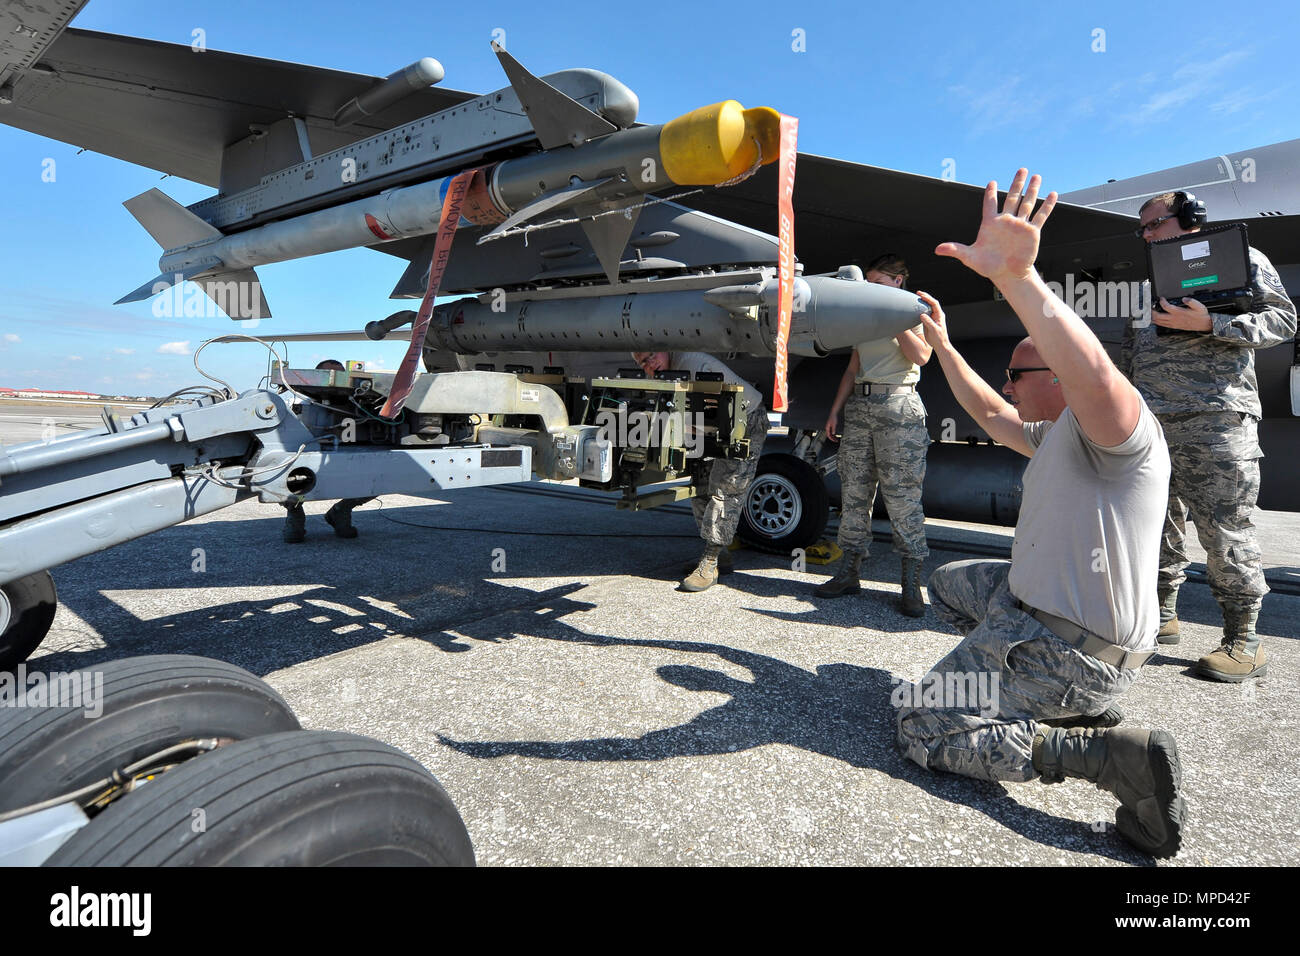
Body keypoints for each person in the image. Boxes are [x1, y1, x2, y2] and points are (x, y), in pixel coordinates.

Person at [894, 169, 1185, 858]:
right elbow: (991, 413)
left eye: (1017, 374)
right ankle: (1046, 696)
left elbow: (1095, 377)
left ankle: (1093, 751)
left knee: (916, 721)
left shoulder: (1119, 433)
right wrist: (942, 349)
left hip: (1070, 650)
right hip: (1049, 621)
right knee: (949, 582)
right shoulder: (1053, 434)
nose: (1006, 386)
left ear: (1054, 378)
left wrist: (1019, 280)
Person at [1121, 192, 1296, 681]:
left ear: (1190, 219)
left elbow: (1284, 320)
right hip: (1152, 423)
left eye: (1153, 225)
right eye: (1143, 229)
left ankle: (1244, 640)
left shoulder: (1241, 261)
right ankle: (1163, 616)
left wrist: (1211, 323)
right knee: (1156, 524)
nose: (1147, 235)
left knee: (1224, 530)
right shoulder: (1144, 286)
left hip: (1217, 419)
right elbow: (1132, 355)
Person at [816, 254, 932, 616]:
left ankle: (911, 584)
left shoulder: (917, 310)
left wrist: (895, 320)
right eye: (868, 282)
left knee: (902, 498)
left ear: (898, 282)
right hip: (861, 408)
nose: (870, 288)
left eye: (878, 283)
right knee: (854, 493)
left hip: (898, 407)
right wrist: (835, 410)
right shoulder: (862, 314)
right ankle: (849, 572)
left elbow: (923, 356)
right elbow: (853, 367)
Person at [631, 351, 768, 592]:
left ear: (665, 349)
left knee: (727, 489)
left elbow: (722, 407)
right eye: (643, 362)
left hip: (745, 421)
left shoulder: (694, 364)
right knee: (700, 486)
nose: (649, 363)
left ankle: (710, 562)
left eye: (652, 355)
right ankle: (720, 554)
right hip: (710, 429)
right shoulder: (668, 373)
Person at [282, 359, 375, 543]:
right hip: (311, 459)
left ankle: (341, 511)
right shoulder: (301, 404)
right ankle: (295, 514)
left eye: (341, 375)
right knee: (290, 479)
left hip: (348, 456)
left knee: (378, 475)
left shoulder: (358, 406)